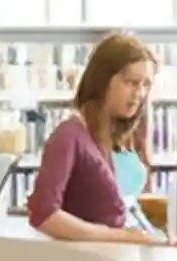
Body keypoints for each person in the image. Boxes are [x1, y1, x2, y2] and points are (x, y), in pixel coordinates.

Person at [26, 33, 167, 244]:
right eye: (131, 82)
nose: (139, 93)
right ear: (103, 80)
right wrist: (121, 237)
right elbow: (44, 214)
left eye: (146, 84)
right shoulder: (69, 135)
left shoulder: (117, 135)